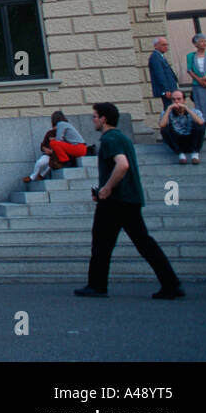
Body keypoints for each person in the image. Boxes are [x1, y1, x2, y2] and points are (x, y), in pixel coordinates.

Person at [75, 102, 184, 300]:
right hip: (129, 199)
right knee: (144, 243)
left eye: (94, 116)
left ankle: (97, 285)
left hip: (116, 201)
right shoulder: (122, 138)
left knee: (101, 244)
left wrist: (106, 189)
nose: (93, 120)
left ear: (103, 119)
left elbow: (122, 165)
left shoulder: (110, 139)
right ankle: (171, 283)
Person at [23, 111, 91, 183]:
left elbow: (58, 140)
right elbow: (44, 145)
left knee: (53, 143)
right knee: (44, 161)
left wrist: (53, 140)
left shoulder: (61, 124)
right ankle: (36, 176)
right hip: (79, 148)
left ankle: (64, 161)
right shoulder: (59, 128)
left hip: (77, 148)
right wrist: (46, 149)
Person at [159, 90, 205, 164]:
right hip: (178, 140)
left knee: (200, 126)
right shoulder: (166, 113)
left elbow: (201, 122)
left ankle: (195, 154)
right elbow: (161, 125)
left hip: (192, 140)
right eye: (173, 99)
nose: (176, 101)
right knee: (164, 129)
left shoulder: (195, 111)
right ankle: (180, 154)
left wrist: (187, 109)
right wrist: (168, 109)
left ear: (184, 100)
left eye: (179, 99)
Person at [148, 36, 178, 110]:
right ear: (156, 46)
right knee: (169, 109)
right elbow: (159, 74)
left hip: (171, 88)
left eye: (166, 45)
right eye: (163, 45)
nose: (166, 47)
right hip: (167, 90)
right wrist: (165, 90)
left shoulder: (161, 56)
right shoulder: (155, 57)